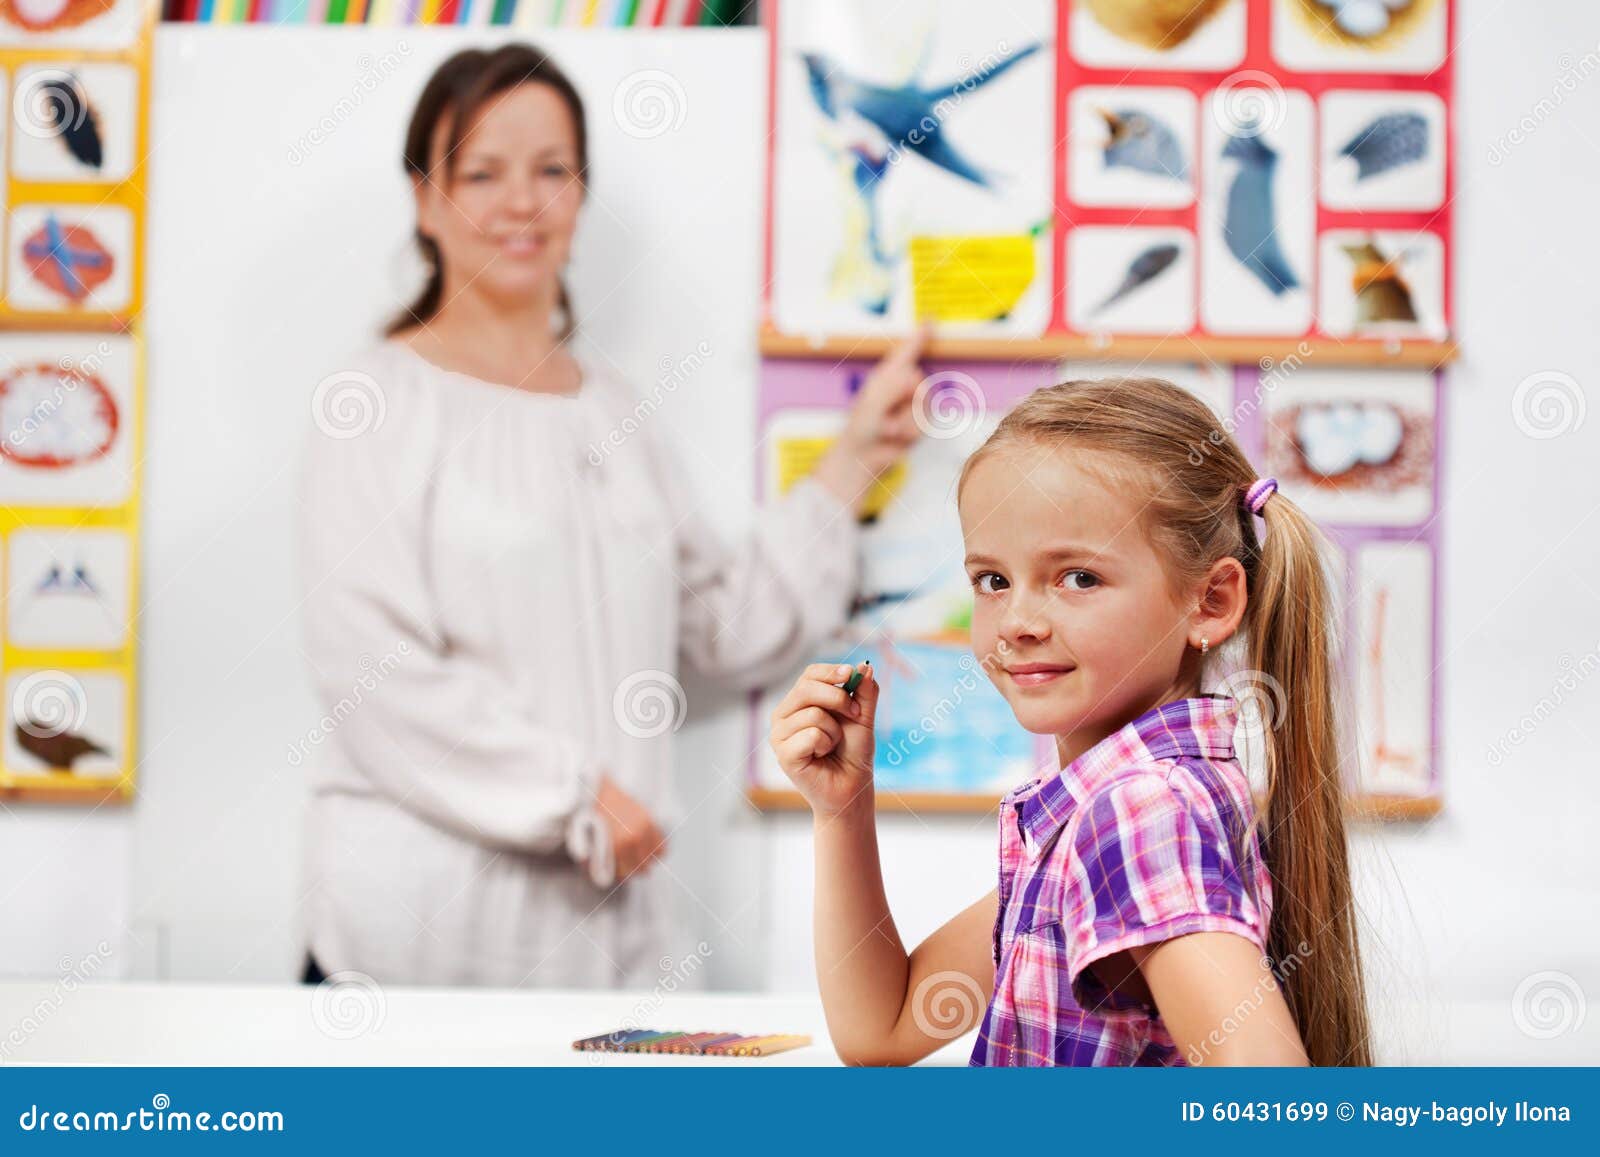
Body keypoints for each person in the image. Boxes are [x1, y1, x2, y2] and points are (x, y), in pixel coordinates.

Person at [296, 43, 925, 987]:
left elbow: (723, 624)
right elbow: (371, 667)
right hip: (413, 940)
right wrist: (571, 794)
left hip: (605, 940)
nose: (523, 202)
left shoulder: (613, 413)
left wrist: (854, 460)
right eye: (482, 172)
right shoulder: (376, 403)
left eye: (553, 170)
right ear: (426, 201)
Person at [769, 376, 1372, 1065]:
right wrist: (842, 809)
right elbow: (884, 1026)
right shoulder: (1089, 817)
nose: (1019, 622)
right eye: (992, 580)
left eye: (1078, 577)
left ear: (1209, 602)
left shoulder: (1143, 810)